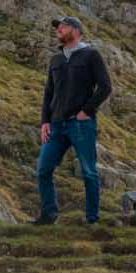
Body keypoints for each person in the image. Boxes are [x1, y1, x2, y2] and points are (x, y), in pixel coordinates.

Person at [35, 15, 112, 225]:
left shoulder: (91, 55)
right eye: (57, 27)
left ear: (76, 31)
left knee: (88, 172)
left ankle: (92, 220)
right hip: (57, 125)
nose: (58, 29)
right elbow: (49, 93)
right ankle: (48, 215)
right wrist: (45, 122)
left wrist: (86, 111)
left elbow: (105, 86)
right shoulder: (56, 59)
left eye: (63, 26)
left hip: (81, 124)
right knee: (43, 169)